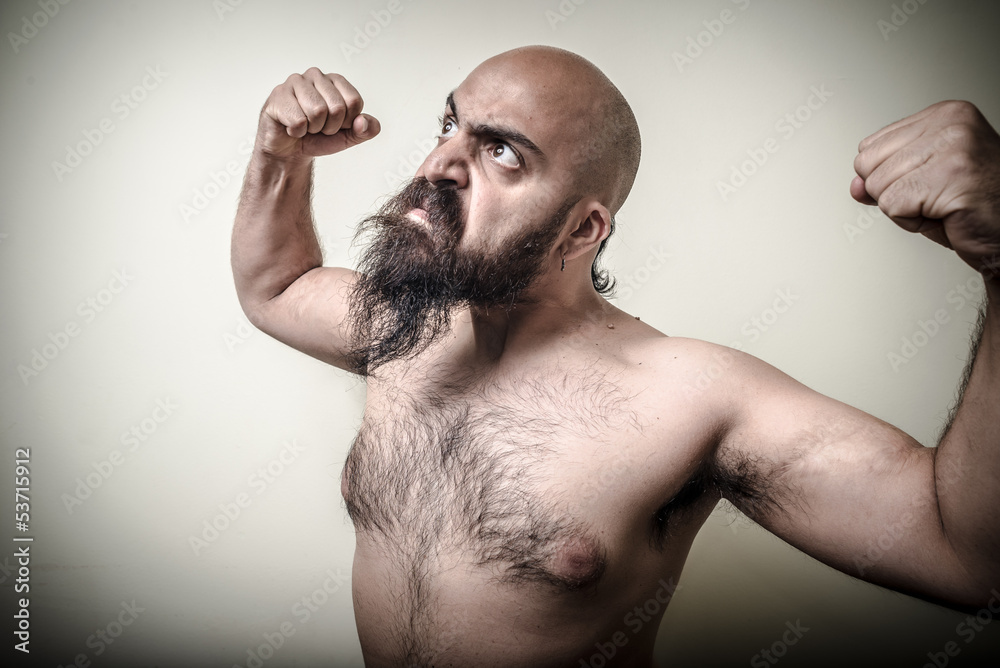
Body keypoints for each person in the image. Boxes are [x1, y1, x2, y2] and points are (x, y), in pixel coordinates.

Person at [231, 45, 1000, 667]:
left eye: (501, 152)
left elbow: (960, 552)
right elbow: (278, 285)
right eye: (451, 124)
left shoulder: (689, 397)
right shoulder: (405, 327)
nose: (437, 165)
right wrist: (279, 157)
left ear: (581, 230)